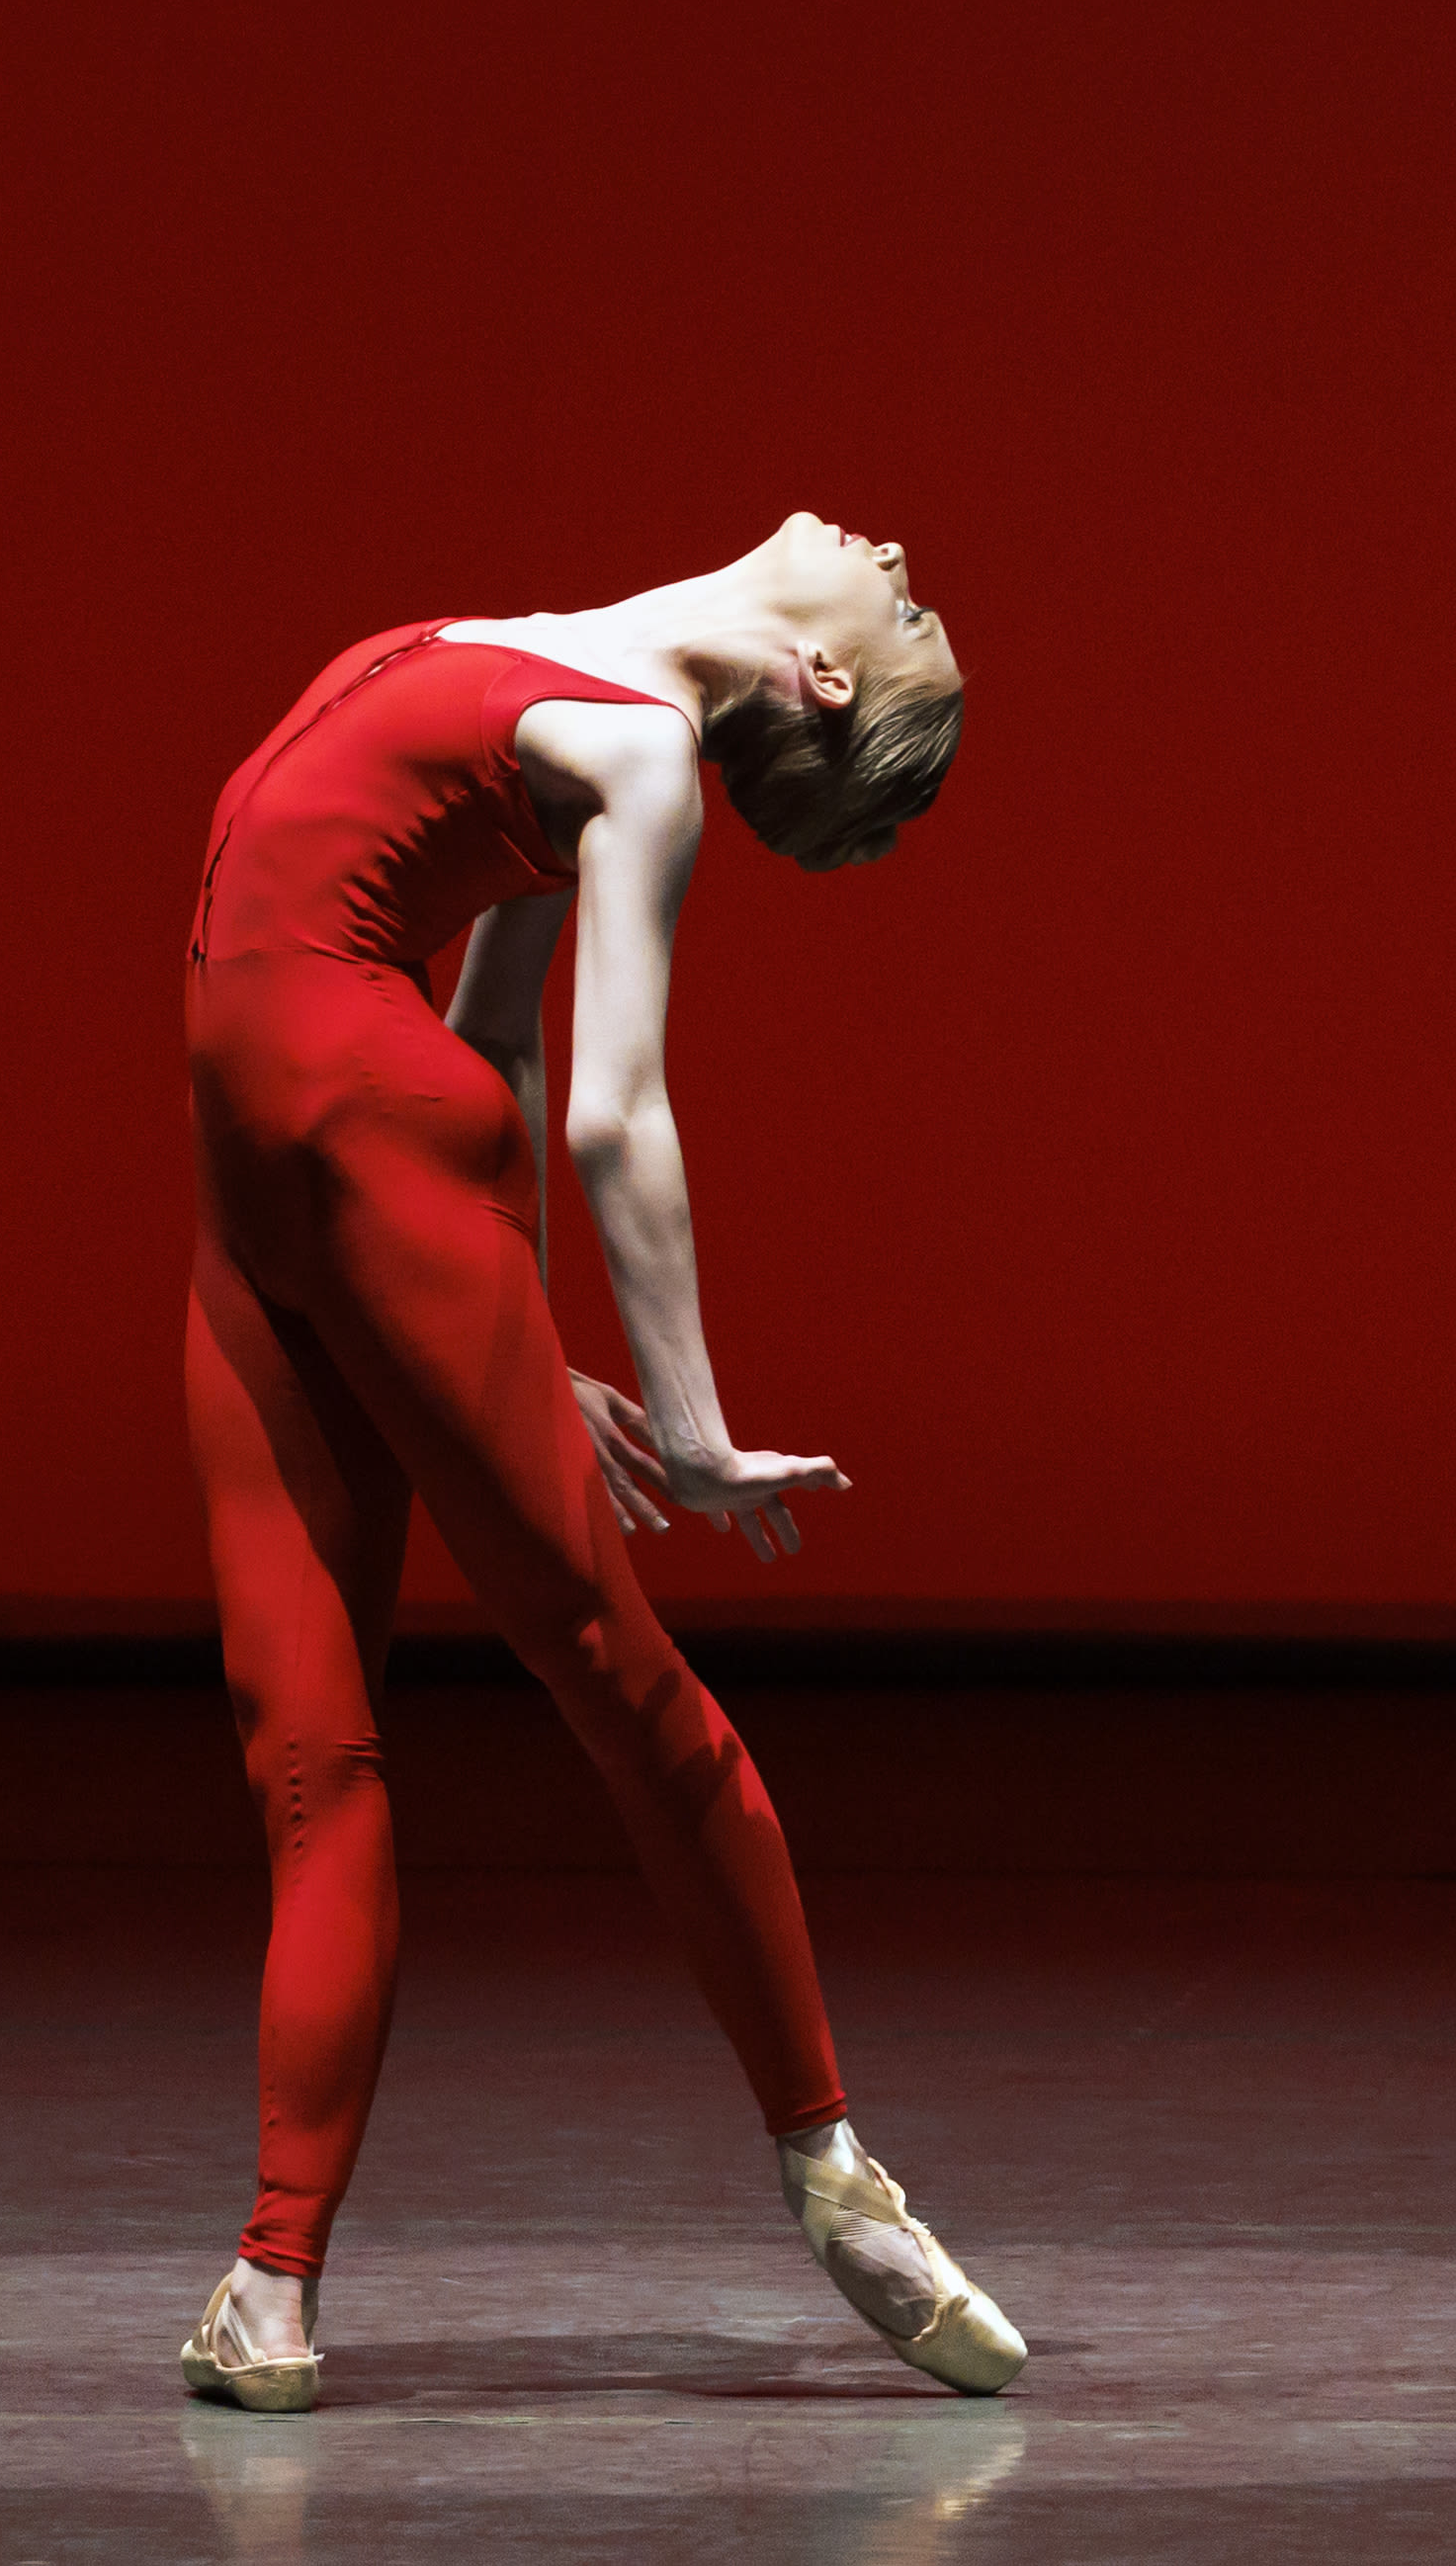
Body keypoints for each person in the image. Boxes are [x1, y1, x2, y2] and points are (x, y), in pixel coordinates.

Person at [175, 509, 1020, 2417]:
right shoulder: (570, 678)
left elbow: (617, 1111)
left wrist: (689, 1409)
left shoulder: (642, 750)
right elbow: (496, 1034)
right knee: (310, 1750)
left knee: (619, 1678)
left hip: (341, 1158)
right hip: (271, 1209)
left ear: (821, 675)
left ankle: (833, 2168)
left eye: (905, 606)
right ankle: (269, 2283)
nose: (890, 549)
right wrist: (517, 1334)